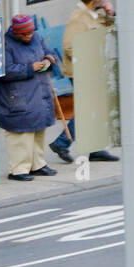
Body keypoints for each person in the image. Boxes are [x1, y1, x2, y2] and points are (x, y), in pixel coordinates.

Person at [49, 0, 119, 163]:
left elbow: (110, 29)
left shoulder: (92, 15)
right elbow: (69, 47)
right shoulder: (79, 18)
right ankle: (62, 142)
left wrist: (110, 14)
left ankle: (95, 149)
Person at [0, 14, 62, 181]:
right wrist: (30, 68)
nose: (29, 36)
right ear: (16, 32)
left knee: (39, 129)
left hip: (39, 91)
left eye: (30, 33)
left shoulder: (37, 37)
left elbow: (48, 51)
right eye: (24, 34)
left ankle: (38, 164)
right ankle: (19, 169)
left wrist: (48, 59)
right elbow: (5, 70)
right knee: (21, 134)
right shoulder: (6, 44)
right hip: (18, 94)